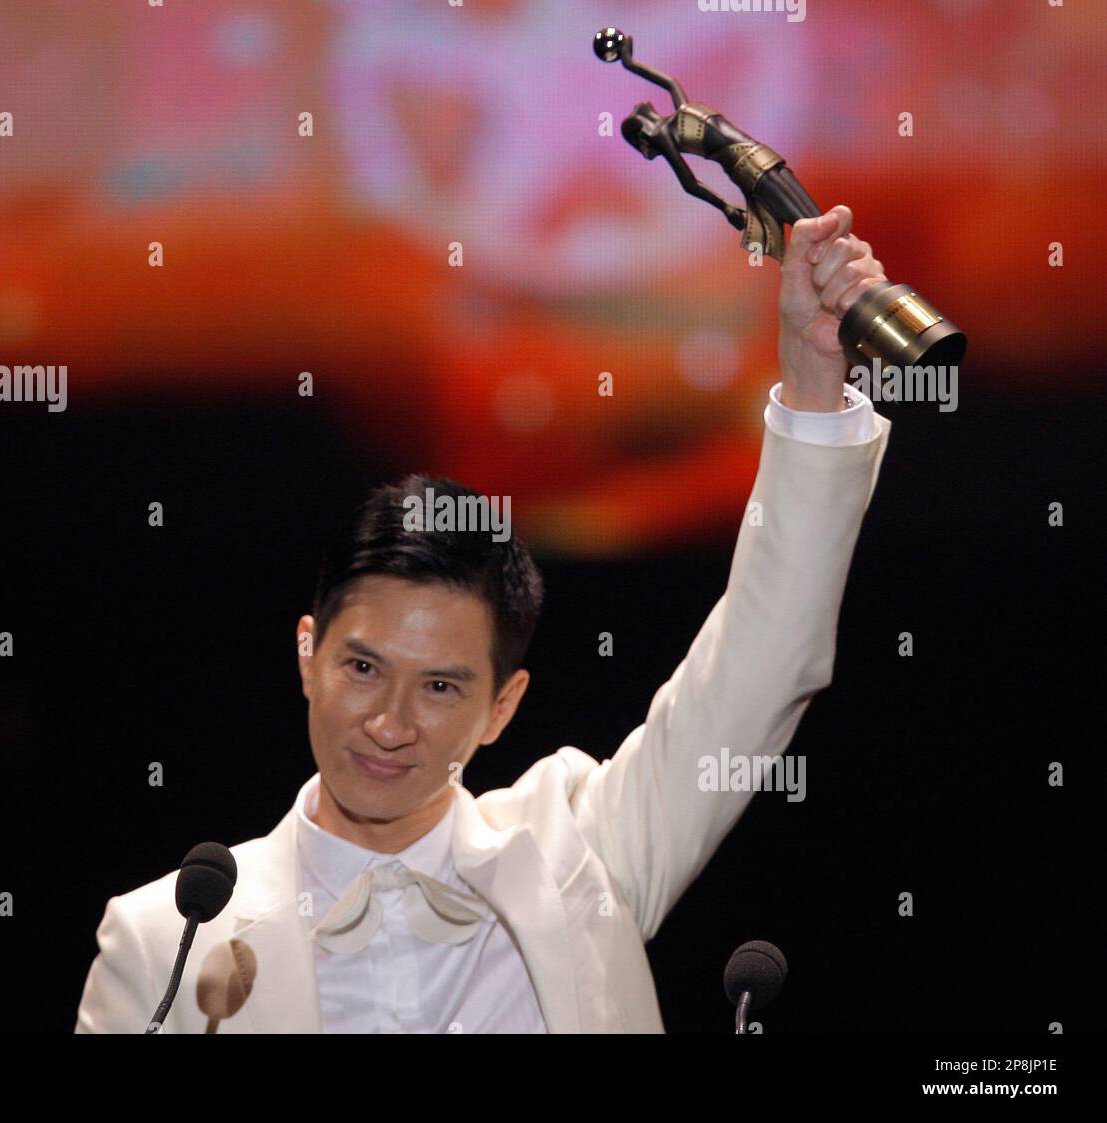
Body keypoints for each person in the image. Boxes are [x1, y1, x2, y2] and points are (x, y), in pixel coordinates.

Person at [74, 205, 892, 1033]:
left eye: (439, 685)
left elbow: (765, 662)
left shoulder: (577, 857)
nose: (389, 723)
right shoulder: (166, 941)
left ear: (503, 705)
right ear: (306, 653)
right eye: (362, 667)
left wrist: (813, 387)